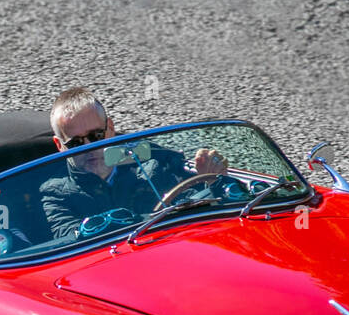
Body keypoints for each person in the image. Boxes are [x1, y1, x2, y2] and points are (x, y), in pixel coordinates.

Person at [39, 87, 229, 242]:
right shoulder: (55, 193)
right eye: (76, 142)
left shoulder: (150, 170)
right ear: (60, 145)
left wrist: (212, 181)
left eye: (96, 135)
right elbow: (69, 238)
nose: (90, 147)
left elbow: (192, 212)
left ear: (110, 129)